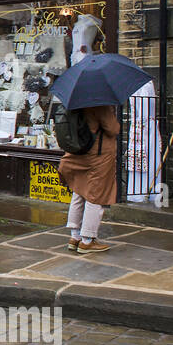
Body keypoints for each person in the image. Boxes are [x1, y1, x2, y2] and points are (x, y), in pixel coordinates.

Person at [58, 105, 121, 253]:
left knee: (79, 191)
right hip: (98, 154)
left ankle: (75, 237)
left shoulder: (75, 102)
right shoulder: (100, 103)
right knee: (96, 195)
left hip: (79, 152)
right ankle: (87, 240)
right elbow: (113, 128)